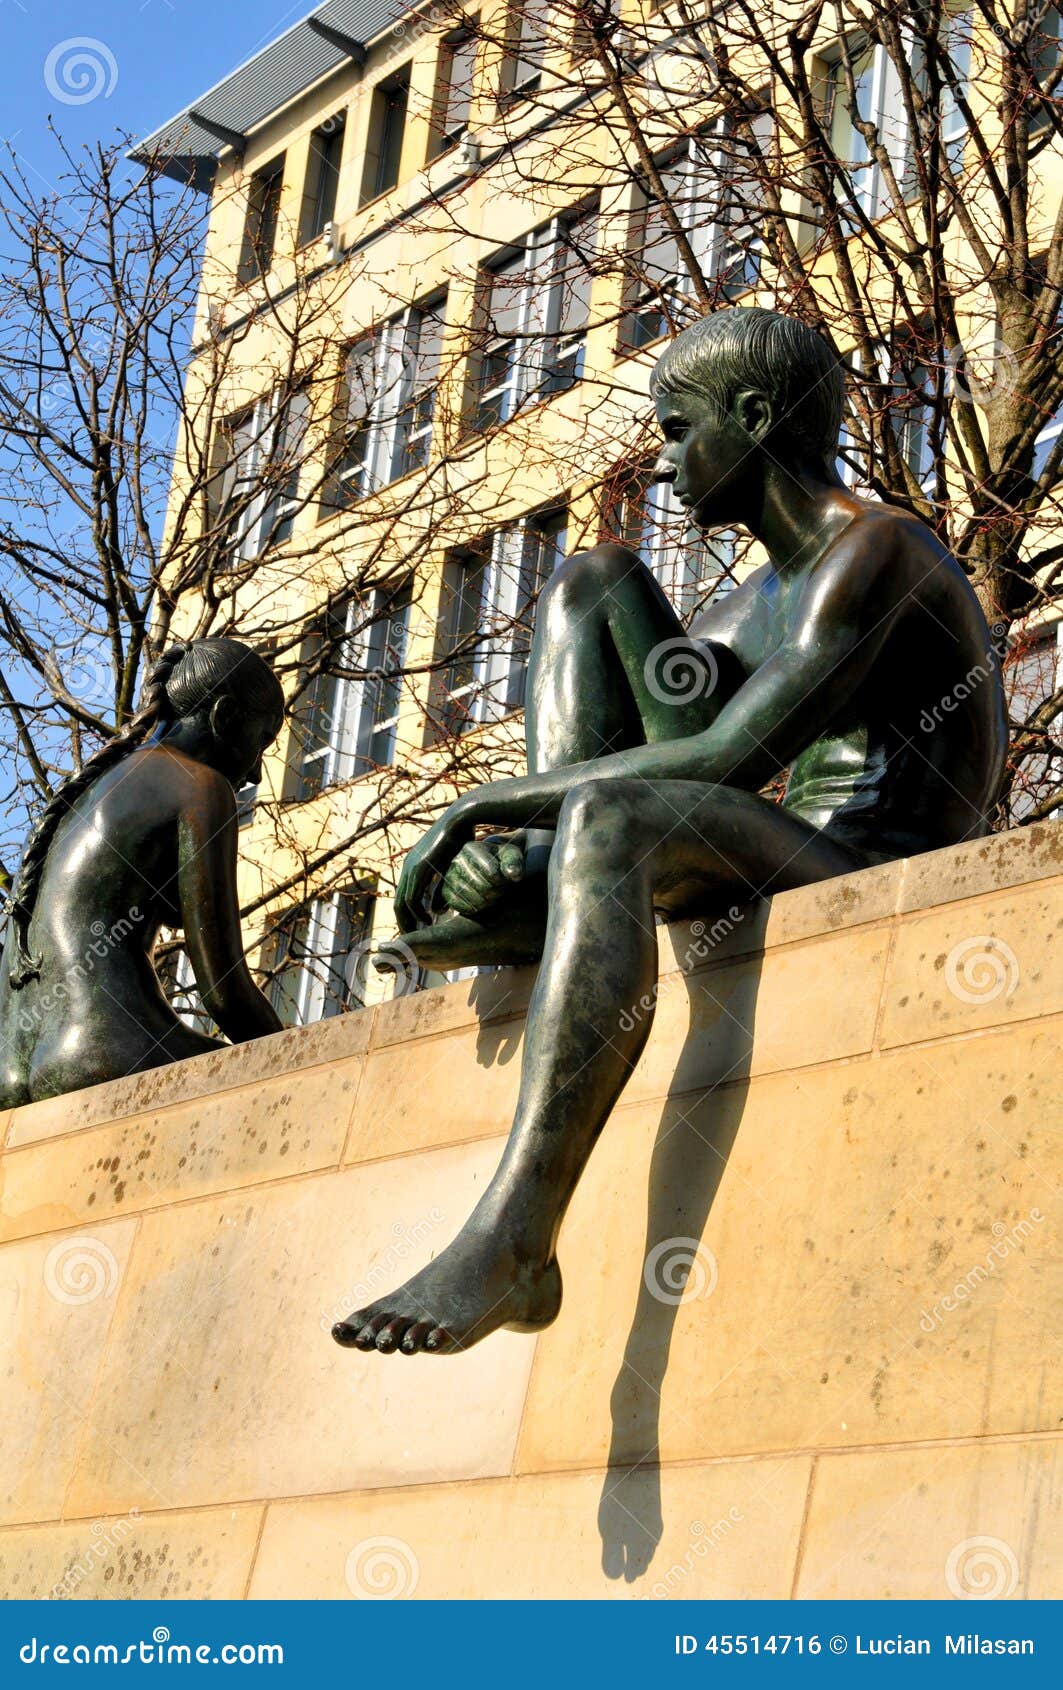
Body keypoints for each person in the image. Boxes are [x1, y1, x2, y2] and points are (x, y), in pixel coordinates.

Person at [333, 307, 1008, 1358]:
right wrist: (530, 840)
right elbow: (671, 732)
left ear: (751, 416)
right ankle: (541, 884)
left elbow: (728, 759)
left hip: (872, 865)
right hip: (773, 850)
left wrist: (488, 805)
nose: (665, 461)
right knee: (590, 581)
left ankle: (515, 1235)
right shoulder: (758, 599)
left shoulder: (876, 554)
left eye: (679, 428)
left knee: (606, 812)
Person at [0, 638, 285, 1105]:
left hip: (12, 1077)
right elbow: (225, 993)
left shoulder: (80, 798)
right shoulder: (200, 785)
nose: (255, 772)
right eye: (261, 743)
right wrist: (296, 1055)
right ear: (225, 717)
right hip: (110, 1053)